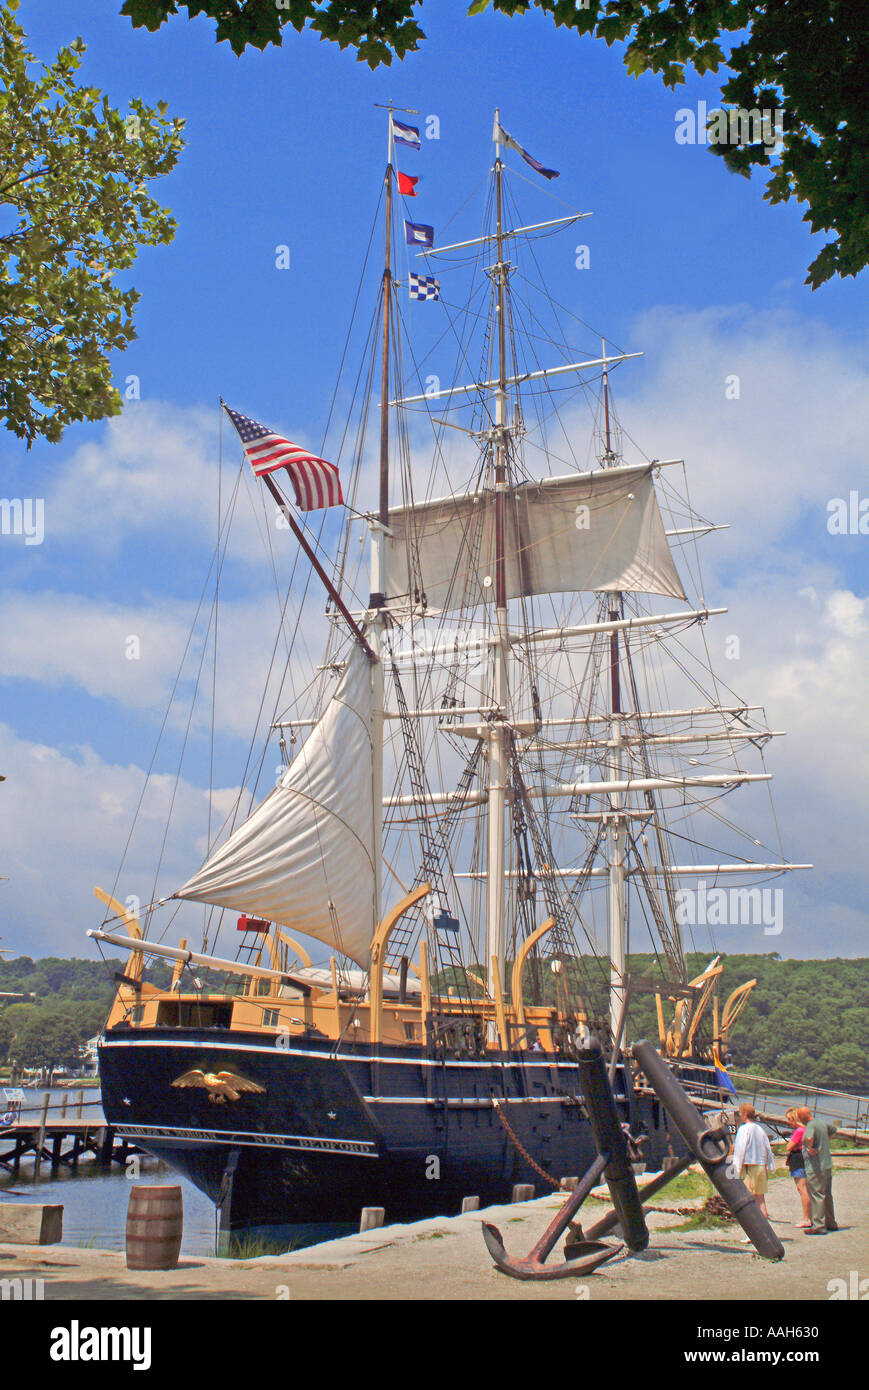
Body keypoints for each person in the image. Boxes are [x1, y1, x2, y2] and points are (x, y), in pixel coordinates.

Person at [732, 1103, 776, 1234]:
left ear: (745, 1114)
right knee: (760, 1199)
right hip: (761, 1166)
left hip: (749, 1167)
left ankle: (756, 1232)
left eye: (740, 1113)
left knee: (749, 1201)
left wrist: (736, 1168)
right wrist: (771, 1165)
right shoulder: (759, 1129)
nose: (739, 1115)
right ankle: (765, 1230)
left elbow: (740, 1150)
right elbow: (768, 1147)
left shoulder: (744, 1129)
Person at [798, 1106, 839, 1234]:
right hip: (827, 1164)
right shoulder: (821, 1122)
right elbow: (834, 1131)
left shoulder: (810, 1125)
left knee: (817, 1195)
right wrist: (824, 1142)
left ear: (803, 1117)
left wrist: (810, 1148)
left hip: (816, 1166)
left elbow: (809, 1138)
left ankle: (818, 1225)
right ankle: (831, 1222)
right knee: (827, 1194)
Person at [784, 1107, 812, 1228]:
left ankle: (806, 1218)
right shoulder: (807, 1129)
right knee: (806, 1189)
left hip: (798, 1161)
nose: (790, 1122)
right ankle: (810, 1216)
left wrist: (791, 1145)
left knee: (802, 1189)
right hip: (805, 1159)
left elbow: (789, 1146)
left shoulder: (799, 1131)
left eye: (791, 1120)